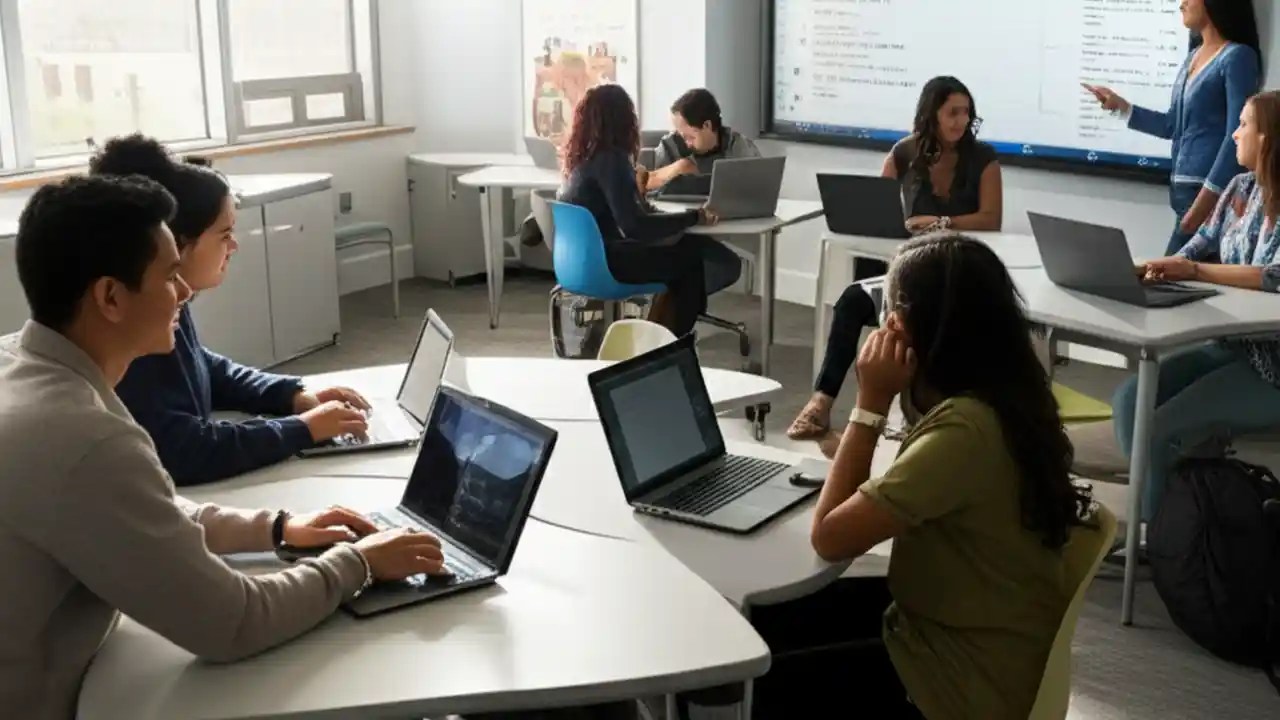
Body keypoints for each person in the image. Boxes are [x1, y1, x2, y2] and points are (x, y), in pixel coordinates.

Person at [0, 175, 450, 719]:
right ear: (110, 297)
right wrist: (357, 563)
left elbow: (147, 508)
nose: (184, 292)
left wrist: (274, 528)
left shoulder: (23, 365)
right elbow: (235, 623)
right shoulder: (84, 440)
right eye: (169, 276)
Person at [752, 233, 1096, 719]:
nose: (882, 325)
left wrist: (870, 404)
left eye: (891, 311)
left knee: (748, 671)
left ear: (918, 329)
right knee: (766, 617)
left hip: (951, 684)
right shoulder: (1003, 396)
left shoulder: (964, 432)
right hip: (967, 637)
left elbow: (830, 538)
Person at [90, 134, 370, 486]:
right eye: (224, 234)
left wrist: (292, 397)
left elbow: (203, 366)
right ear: (176, 242)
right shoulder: (135, 323)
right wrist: (301, 429)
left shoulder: (169, 301)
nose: (234, 246)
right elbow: (184, 451)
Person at [788, 76, 1003, 455]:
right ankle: (821, 402)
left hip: (955, 273)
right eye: (952, 112)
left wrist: (941, 224)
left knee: (912, 322)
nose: (961, 121)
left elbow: (991, 218)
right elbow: (877, 210)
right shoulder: (903, 154)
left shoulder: (983, 158)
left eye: (966, 113)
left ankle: (880, 434)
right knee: (850, 301)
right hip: (906, 269)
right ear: (931, 114)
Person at [1113, 89, 1280, 522]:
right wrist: (1137, 268)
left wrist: (1197, 271)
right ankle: (1172, 524)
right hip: (1233, 346)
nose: (1235, 135)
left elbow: (1274, 276)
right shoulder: (1240, 188)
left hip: (1274, 369)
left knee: (1158, 430)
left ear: (1267, 138)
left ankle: (1161, 542)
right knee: (1131, 401)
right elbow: (1195, 248)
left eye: (1244, 125)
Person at [1085, 0, 1261, 255]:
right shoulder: (1193, 57)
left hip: (1207, 194)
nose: (1182, 3)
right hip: (1182, 194)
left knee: (1165, 276)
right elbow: (1173, 125)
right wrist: (1122, 107)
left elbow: (1235, 135)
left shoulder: (1237, 57)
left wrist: (1206, 201)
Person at [557, 83, 727, 336]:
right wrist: (694, 217)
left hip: (574, 264)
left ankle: (659, 332)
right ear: (624, 120)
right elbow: (635, 227)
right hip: (608, 264)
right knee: (689, 255)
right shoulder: (612, 161)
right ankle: (673, 342)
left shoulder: (585, 160)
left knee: (677, 252)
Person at [646, 87, 761, 189]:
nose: (687, 144)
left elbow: (759, 186)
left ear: (707, 125)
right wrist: (678, 169)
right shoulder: (670, 147)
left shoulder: (738, 147)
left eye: (690, 137)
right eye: (681, 135)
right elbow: (648, 192)